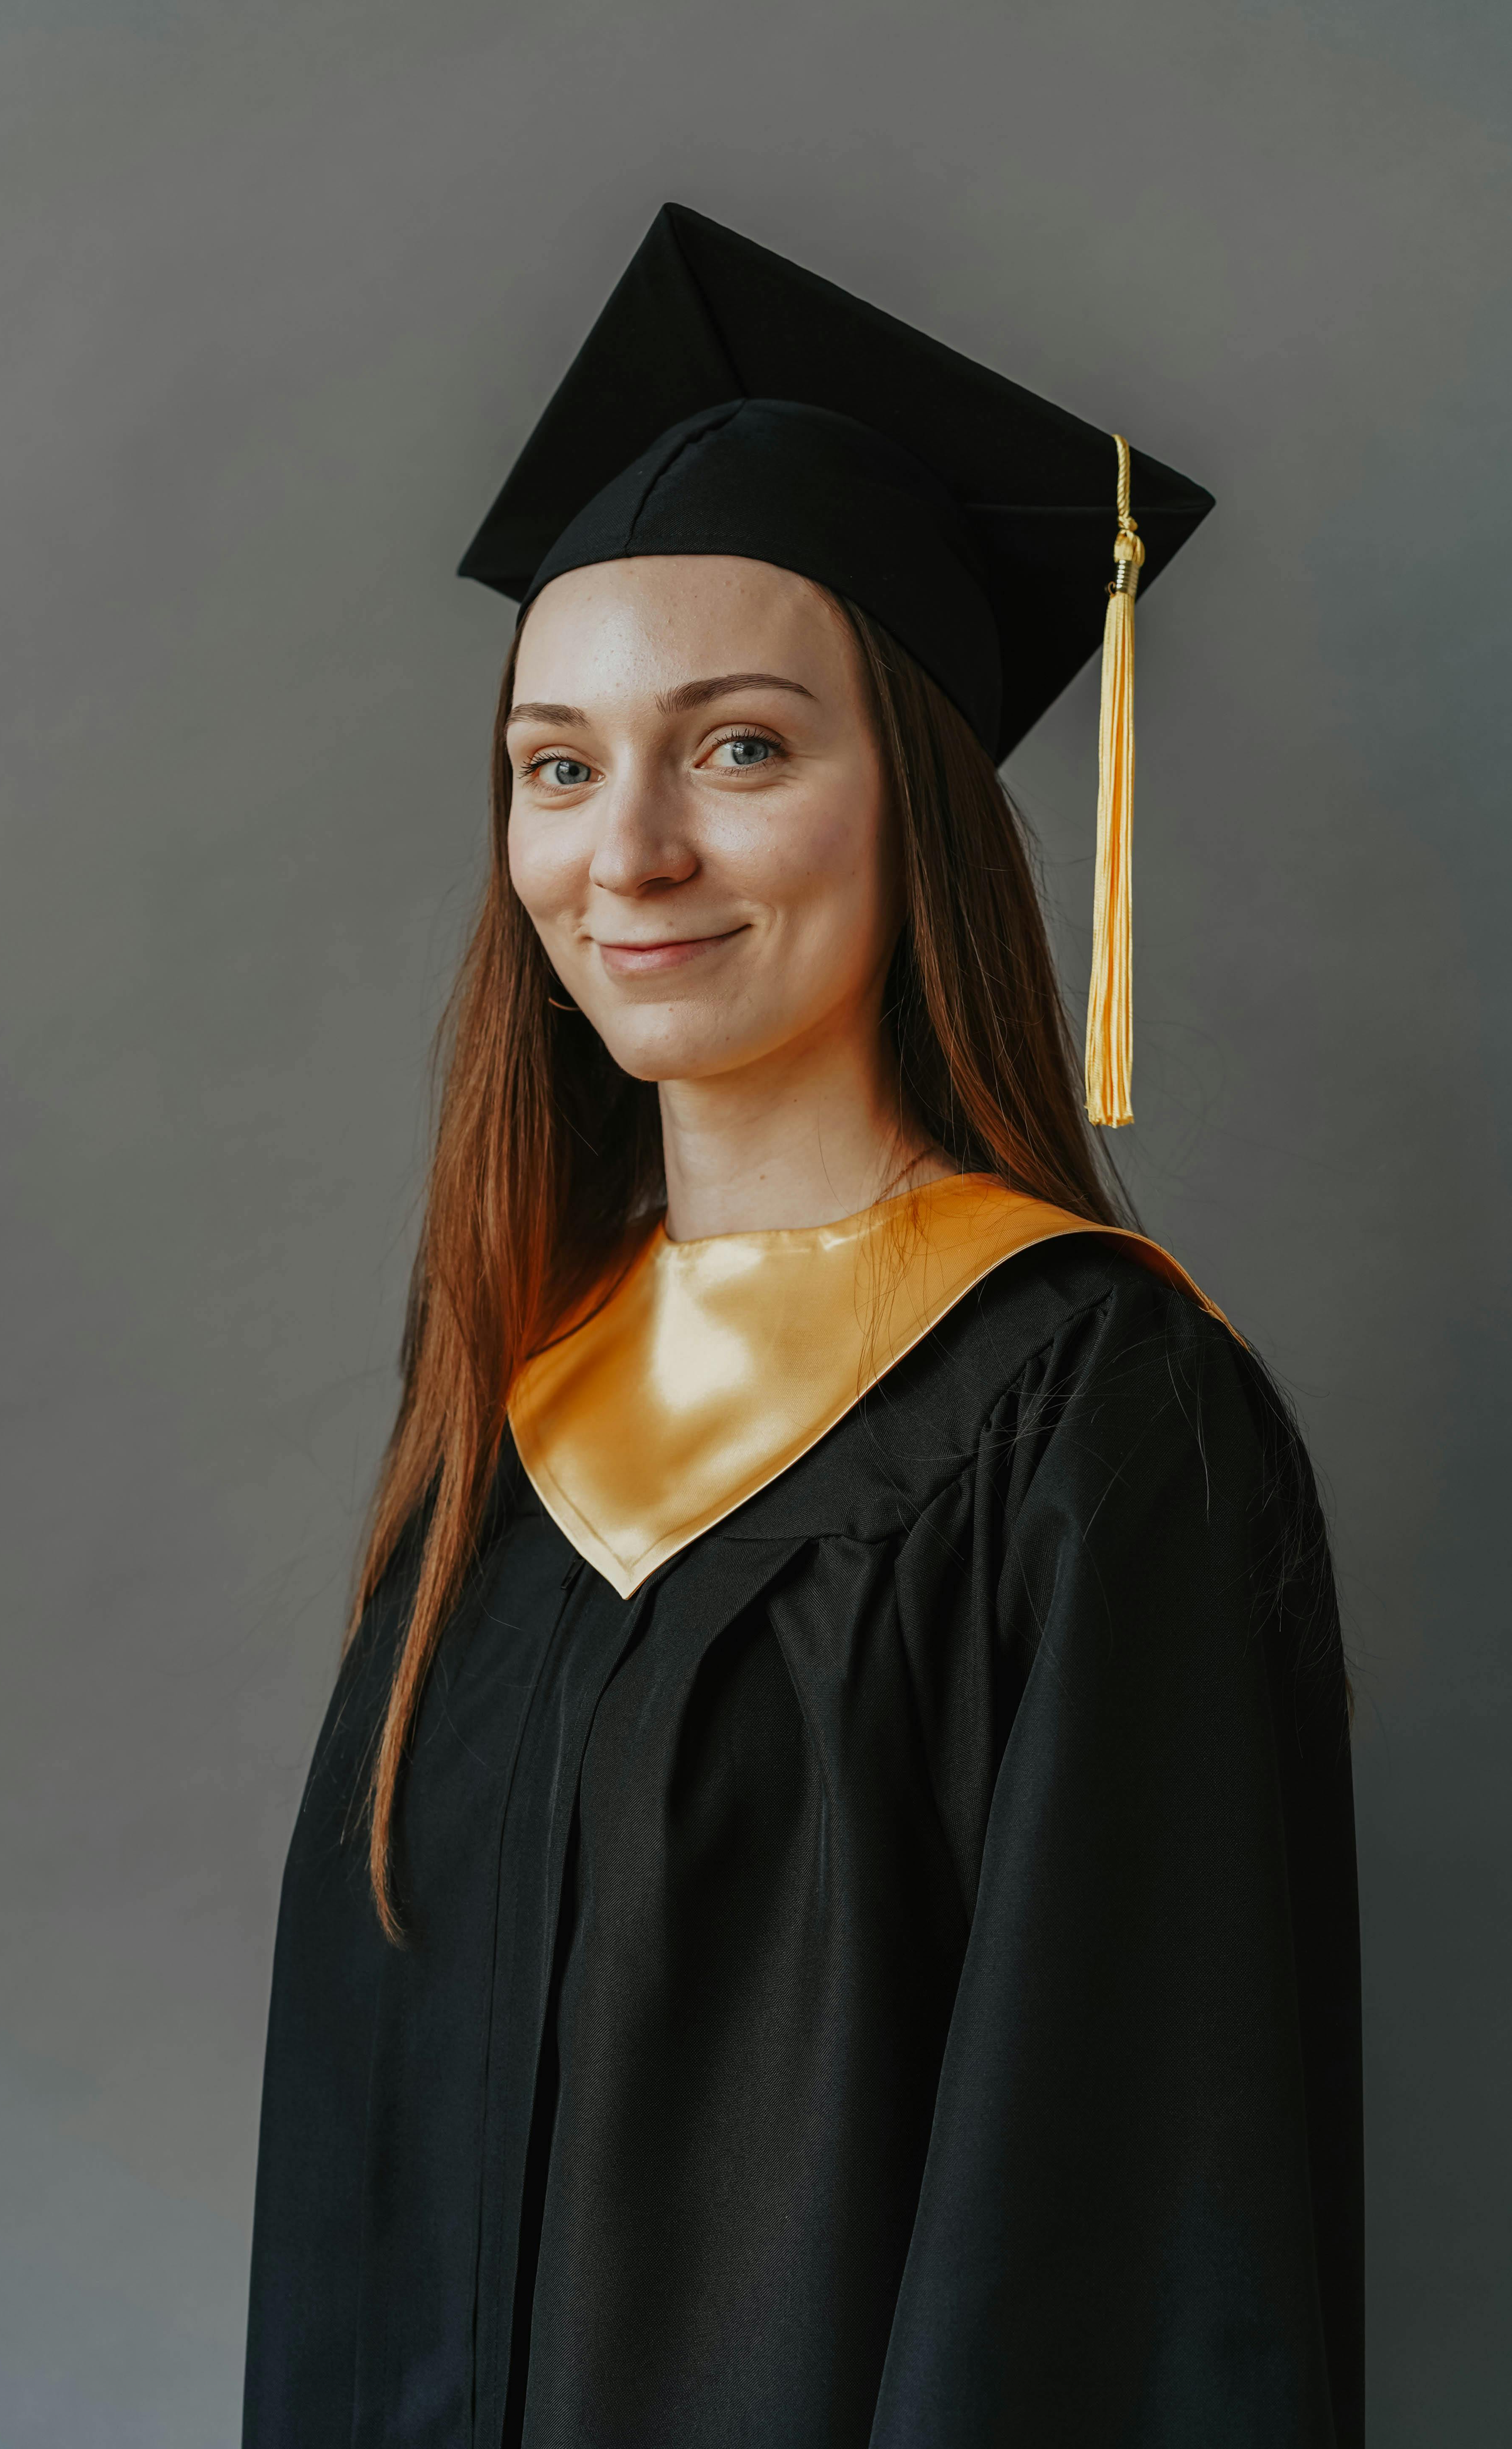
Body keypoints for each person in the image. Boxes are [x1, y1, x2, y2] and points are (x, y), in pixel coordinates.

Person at [242, 206, 1362, 2449]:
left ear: (915, 801)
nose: (627, 854)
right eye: (557, 765)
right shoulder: (515, 1403)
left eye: (739, 748)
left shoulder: (1093, 1412)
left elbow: (1121, 2243)